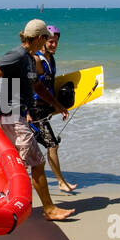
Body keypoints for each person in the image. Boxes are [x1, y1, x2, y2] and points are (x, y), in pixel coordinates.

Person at [0, 19, 73, 221]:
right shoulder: (17, 55)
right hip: (9, 115)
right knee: (36, 162)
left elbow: (37, 87)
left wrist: (58, 105)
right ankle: (49, 209)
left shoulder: (30, 59)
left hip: (16, 116)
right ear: (39, 38)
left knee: (14, 163)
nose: (48, 41)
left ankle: (4, 203)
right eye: (46, 37)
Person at [31, 26, 75, 193]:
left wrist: (59, 106)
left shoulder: (51, 60)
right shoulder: (36, 60)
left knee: (28, 147)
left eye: (56, 42)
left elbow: (49, 87)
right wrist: (26, 112)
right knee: (52, 144)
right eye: (51, 42)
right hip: (34, 110)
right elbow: (27, 87)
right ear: (42, 41)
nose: (54, 45)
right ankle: (61, 182)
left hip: (45, 109)